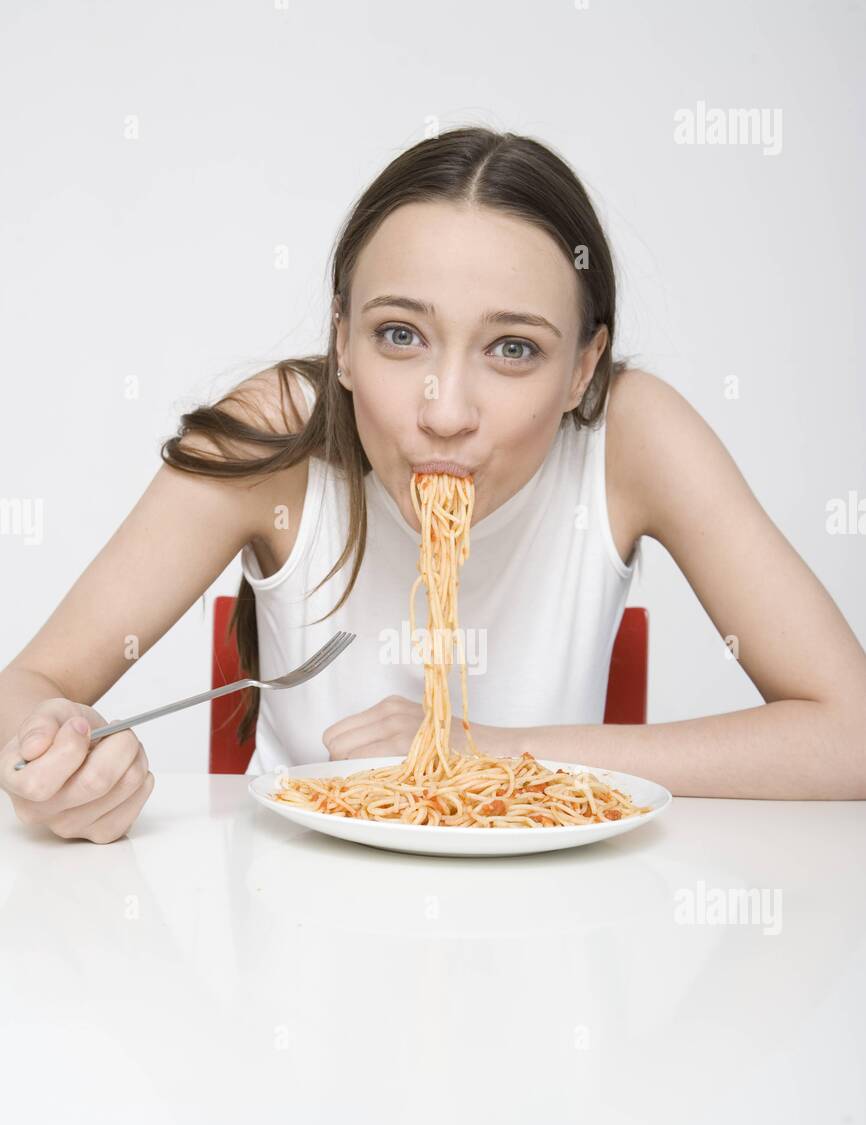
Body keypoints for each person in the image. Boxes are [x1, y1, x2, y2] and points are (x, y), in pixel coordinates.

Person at [2, 126, 865, 843]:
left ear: (582, 369)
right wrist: (55, 762)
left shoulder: (631, 435)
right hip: (293, 921)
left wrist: (485, 749)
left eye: (514, 349)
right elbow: (27, 686)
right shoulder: (280, 432)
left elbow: (849, 735)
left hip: (555, 923)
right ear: (341, 338)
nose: (445, 411)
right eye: (400, 335)